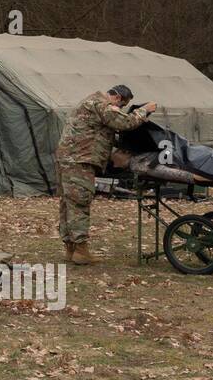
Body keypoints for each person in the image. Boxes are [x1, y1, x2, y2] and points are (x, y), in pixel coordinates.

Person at [54, 85, 156, 265]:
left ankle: (70, 247)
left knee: (68, 203)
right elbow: (124, 123)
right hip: (80, 161)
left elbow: (105, 133)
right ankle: (80, 250)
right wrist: (144, 111)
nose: (121, 109)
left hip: (69, 160)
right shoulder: (101, 104)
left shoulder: (92, 104)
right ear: (116, 97)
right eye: (122, 105)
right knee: (79, 202)